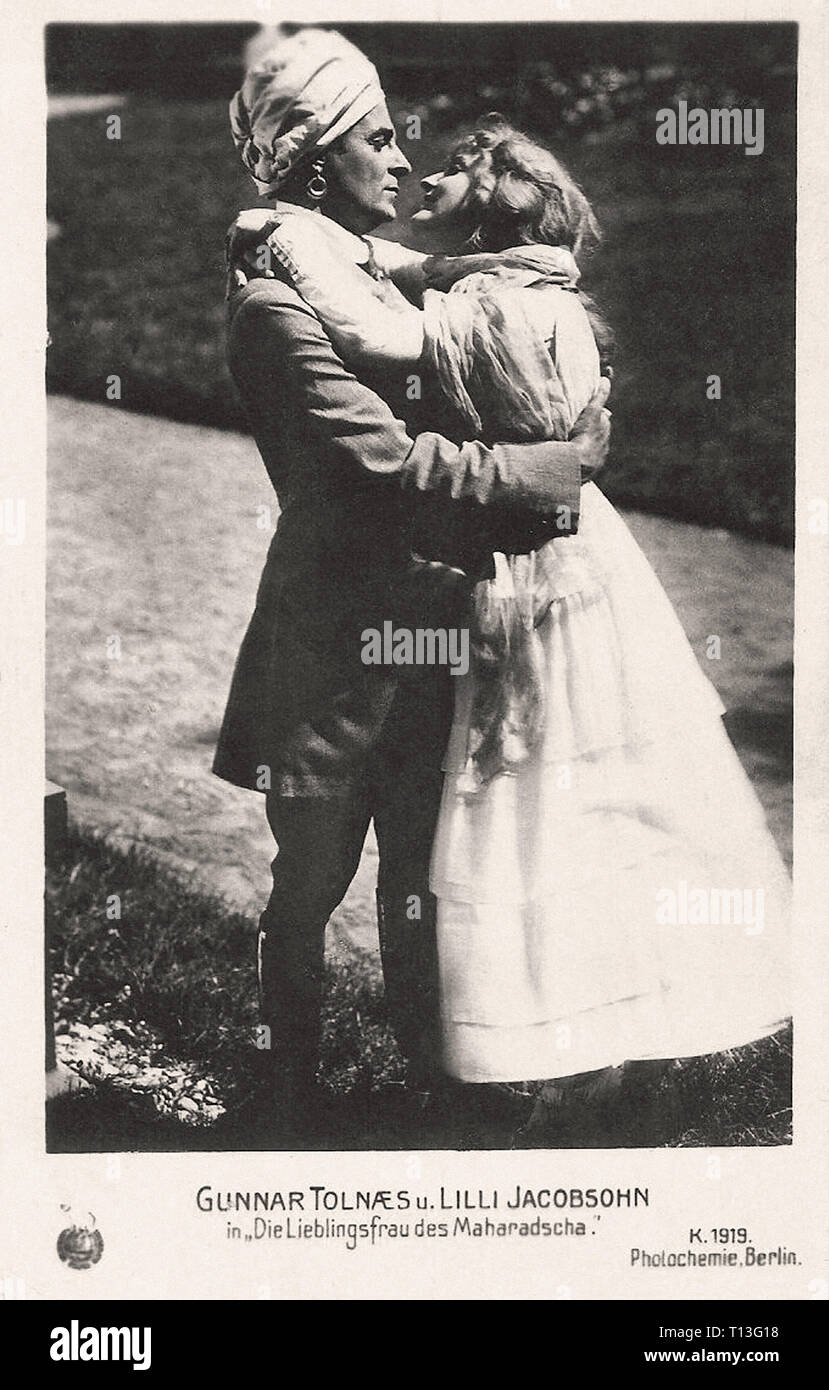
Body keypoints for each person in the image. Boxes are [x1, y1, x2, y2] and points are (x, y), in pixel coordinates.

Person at [231, 111, 791, 1132]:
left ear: (498, 202)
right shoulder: (521, 285)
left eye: (447, 163)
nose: (417, 169)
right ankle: (351, 1077)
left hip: (519, 567)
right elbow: (405, 407)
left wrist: (288, 242)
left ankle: (488, 1061)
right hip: (522, 563)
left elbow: (381, 332)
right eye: (395, 150)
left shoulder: (481, 298)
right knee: (507, 824)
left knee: (505, 824)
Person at [214, 30, 611, 1138]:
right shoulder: (278, 306)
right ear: (310, 160)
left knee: (422, 874)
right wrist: (548, 469)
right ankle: (288, 1081)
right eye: (377, 142)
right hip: (333, 636)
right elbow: (385, 465)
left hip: (429, 620)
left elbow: (472, 312)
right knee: (314, 874)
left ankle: (430, 1073)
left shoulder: (357, 276)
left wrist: (560, 383)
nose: (400, 163)